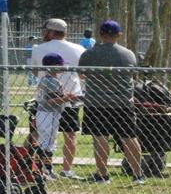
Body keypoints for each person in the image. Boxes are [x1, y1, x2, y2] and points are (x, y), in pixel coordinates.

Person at [76, 19, 144, 184]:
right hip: (122, 102)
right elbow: (132, 75)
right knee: (129, 136)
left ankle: (103, 174)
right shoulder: (128, 54)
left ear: (101, 34)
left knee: (100, 136)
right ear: (119, 35)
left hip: (96, 102)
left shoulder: (89, 53)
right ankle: (138, 174)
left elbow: (81, 74)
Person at [28, 18, 84, 179]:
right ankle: (66, 169)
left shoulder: (39, 48)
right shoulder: (79, 48)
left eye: (45, 31)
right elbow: (81, 73)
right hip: (70, 96)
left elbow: (35, 72)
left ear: (51, 32)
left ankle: (37, 165)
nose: (43, 33)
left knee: (38, 134)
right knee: (70, 134)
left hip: (45, 99)